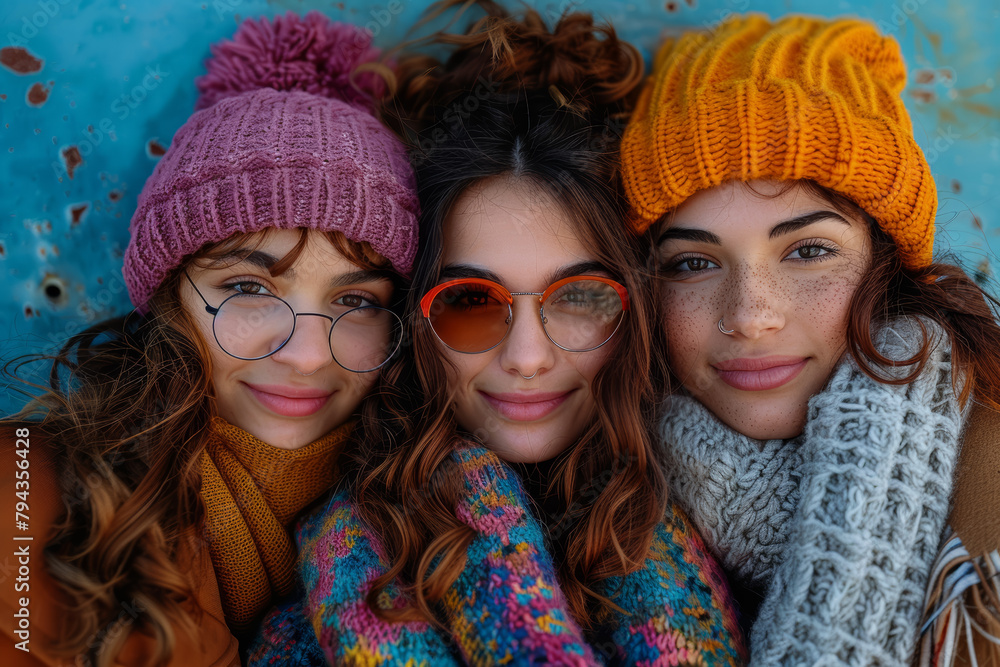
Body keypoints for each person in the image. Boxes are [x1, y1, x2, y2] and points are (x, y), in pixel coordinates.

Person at [250, 2, 746, 665]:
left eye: (579, 297)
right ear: (411, 320)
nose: (528, 357)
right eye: (469, 301)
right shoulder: (329, 598)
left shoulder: (712, 528)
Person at [0, 11, 418, 666]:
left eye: (355, 300)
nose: (305, 354)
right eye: (249, 289)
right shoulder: (27, 497)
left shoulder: (445, 524)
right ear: (170, 295)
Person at [620, 14, 1000, 666]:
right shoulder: (616, 507)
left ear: (885, 262)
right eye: (691, 262)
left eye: (809, 250)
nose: (751, 314)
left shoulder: (988, 485)